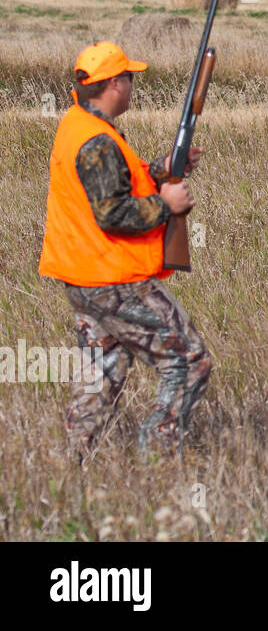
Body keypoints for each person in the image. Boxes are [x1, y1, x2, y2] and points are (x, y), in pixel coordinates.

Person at [38, 42, 212, 460]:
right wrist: (166, 205)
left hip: (83, 278)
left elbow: (112, 184)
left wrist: (160, 169)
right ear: (114, 83)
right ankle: (156, 456)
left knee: (101, 372)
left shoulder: (76, 124)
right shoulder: (97, 141)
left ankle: (73, 464)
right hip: (113, 280)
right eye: (129, 78)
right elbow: (112, 212)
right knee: (189, 360)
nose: (133, 86)